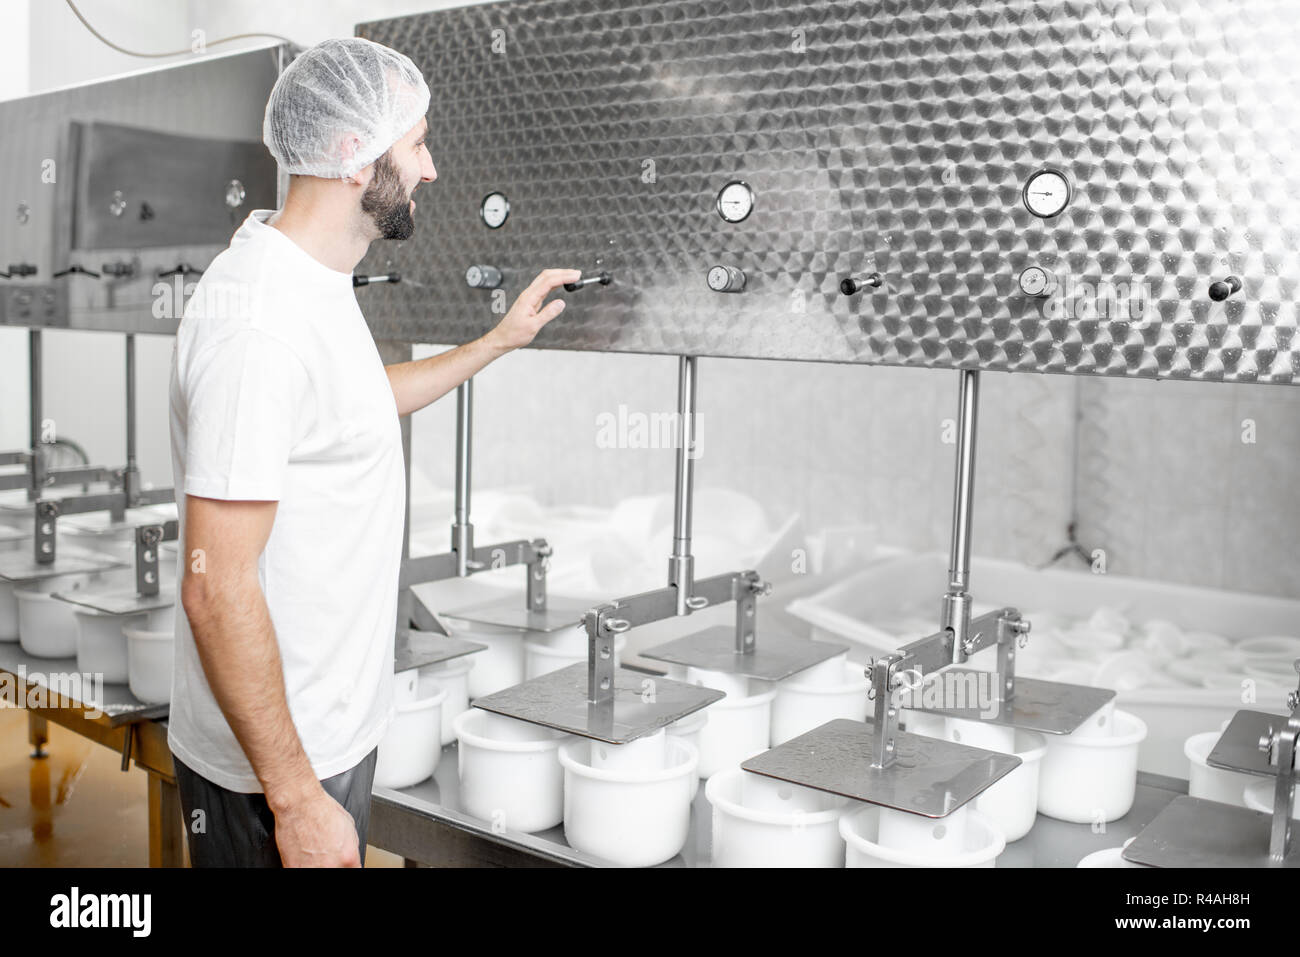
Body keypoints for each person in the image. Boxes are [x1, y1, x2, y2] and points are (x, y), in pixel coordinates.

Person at [167, 37, 580, 867]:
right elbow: (217, 590)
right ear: (356, 155)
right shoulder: (261, 323)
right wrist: (294, 800)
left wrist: (496, 341)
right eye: (418, 143)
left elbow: (353, 406)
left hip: (322, 735)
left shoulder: (312, 282)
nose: (430, 169)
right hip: (274, 767)